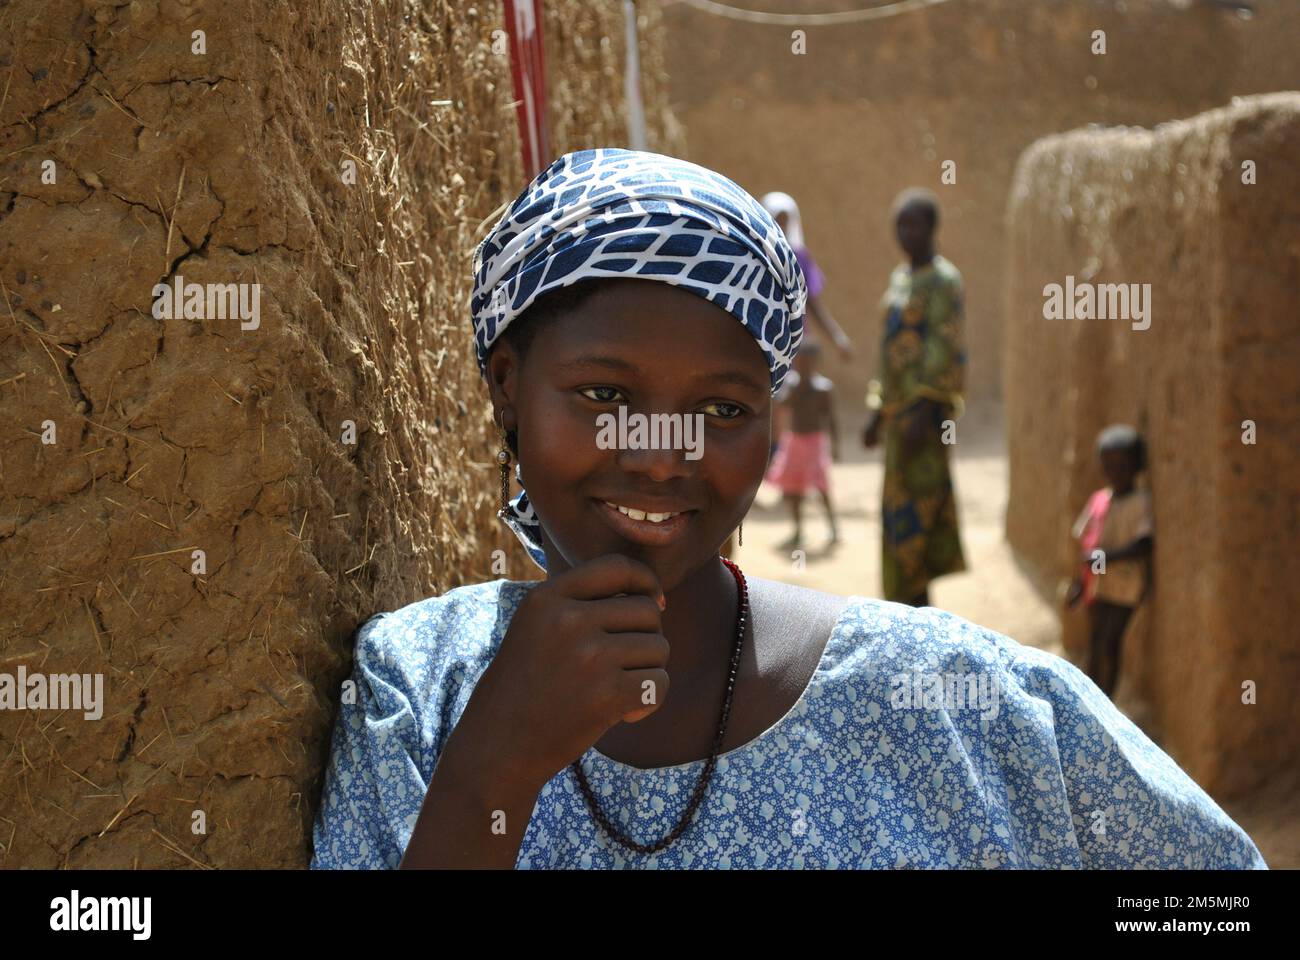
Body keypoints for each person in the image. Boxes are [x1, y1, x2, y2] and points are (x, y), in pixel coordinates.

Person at [310, 148, 1265, 869]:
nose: (661, 455)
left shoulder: (959, 709)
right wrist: (494, 773)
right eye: (606, 396)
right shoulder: (416, 699)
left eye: (722, 410)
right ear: (509, 389)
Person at [862, 188, 966, 607]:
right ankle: (906, 605)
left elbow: (945, 346)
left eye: (914, 224)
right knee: (896, 512)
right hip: (898, 417)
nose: (905, 233)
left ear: (932, 228)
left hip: (926, 420)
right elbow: (890, 349)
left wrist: (924, 409)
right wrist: (877, 411)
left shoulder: (944, 280)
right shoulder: (900, 278)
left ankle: (920, 611)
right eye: (899, 225)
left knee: (921, 511)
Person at [1066, 425, 1155, 698]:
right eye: (1108, 465)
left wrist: (1105, 558)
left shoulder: (1140, 502)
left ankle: (1106, 704)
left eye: (1121, 465)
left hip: (1125, 586)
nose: (1113, 472)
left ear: (1137, 466)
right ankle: (1091, 702)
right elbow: (1088, 544)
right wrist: (1081, 584)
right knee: (1095, 642)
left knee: (1109, 643)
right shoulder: (1100, 500)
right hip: (1099, 586)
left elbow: (1144, 545)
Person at [761, 191, 854, 361]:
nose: (781, 226)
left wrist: (836, 336)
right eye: (777, 220)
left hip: (794, 340)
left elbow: (810, 300)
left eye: (785, 221)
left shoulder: (799, 258)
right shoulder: (757, 253)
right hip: (762, 334)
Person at [766, 340, 839, 550]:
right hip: (795, 441)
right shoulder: (791, 384)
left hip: (815, 442)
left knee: (821, 486)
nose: (804, 366)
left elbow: (830, 418)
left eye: (809, 362)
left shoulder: (823, 388)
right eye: (801, 362)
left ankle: (833, 527)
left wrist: (836, 445)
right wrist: (797, 389)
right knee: (794, 489)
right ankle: (798, 531)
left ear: (817, 363)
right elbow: (782, 404)